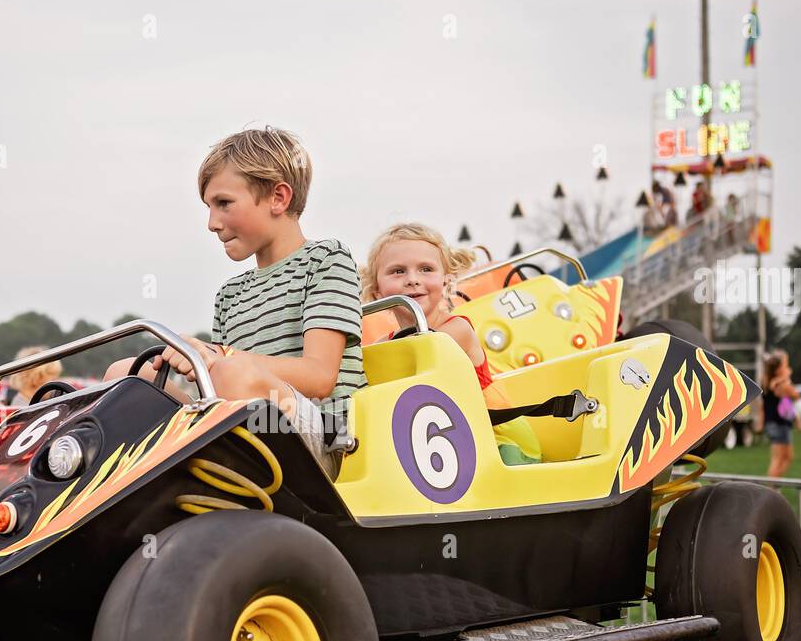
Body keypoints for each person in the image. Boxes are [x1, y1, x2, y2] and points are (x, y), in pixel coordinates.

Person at [103, 127, 365, 479]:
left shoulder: (325, 260)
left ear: (278, 198)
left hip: (325, 440)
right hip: (242, 420)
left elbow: (319, 377)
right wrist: (194, 360)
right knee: (129, 374)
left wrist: (218, 356)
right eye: (209, 207)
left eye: (224, 204)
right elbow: (217, 385)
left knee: (230, 371)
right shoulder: (230, 293)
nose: (212, 223)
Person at [359, 222, 541, 466]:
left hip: (496, 435)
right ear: (377, 289)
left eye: (426, 269)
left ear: (446, 281)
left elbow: (420, 355)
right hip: (439, 439)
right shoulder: (384, 344)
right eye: (398, 271)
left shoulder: (456, 329)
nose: (412, 279)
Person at [760, 348, 800, 478]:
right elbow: (795, 395)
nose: (787, 367)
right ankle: (771, 488)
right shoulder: (780, 384)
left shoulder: (768, 380)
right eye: (785, 364)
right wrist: (786, 377)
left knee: (787, 457)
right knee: (778, 460)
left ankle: (774, 487)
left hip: (775, 423)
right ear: (778, 368)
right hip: (778, 424)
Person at [0, 345, 64, 406]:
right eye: (52, 377)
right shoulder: (23, 409)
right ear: (36, 378)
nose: (55, 381)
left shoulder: (34, 404)